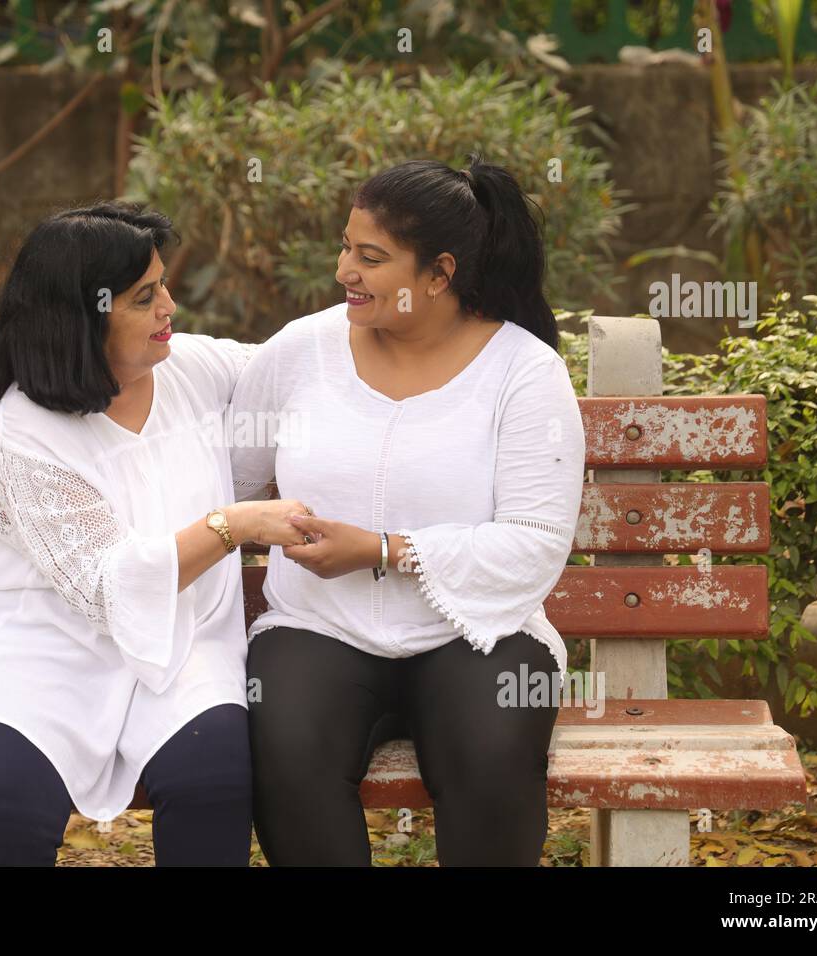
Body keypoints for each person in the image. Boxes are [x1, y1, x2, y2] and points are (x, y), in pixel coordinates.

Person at [0, 201, 309, 866]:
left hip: (182, 645)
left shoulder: (187, 368)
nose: (170, 306)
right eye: (147, 297)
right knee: (9, 804)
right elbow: (108, 585)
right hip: (28, 653)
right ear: (83, 316)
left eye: (165, 284)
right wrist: (233, 525)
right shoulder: (26, 436)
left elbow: (298, 364)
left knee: (214, 779)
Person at [230, 155, 587, 866]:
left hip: (480, 633)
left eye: (371, 257)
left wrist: (383, 549)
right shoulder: (301, 351)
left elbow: (537, 542)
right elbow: (229, 485)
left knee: (491, 762)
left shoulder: (523, 371)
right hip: (317, 626)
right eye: (345, 248)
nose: (343, 272)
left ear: (440, 273)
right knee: (288, 760)